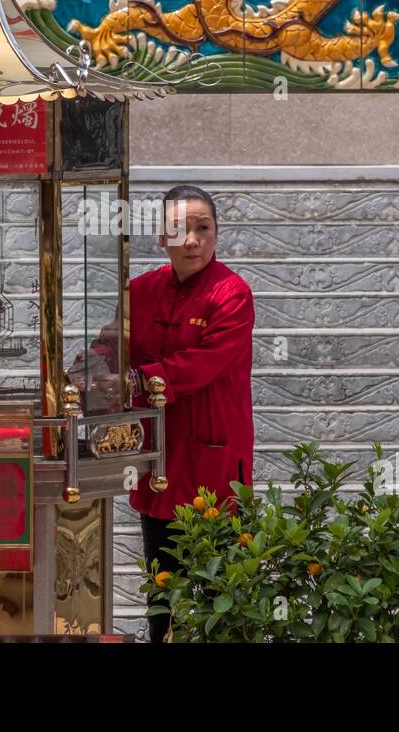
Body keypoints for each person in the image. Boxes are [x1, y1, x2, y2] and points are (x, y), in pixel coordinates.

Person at [122, 185, 255, 643]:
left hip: (213, 461)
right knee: (163, 587)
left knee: (223, 591)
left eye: (204, 228)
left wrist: (135, 380)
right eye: (181, 230)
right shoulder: (138, 291)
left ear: (217, 235)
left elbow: (202, 364)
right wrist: (90, 369)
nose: (193, 240)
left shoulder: (232, 294)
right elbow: (108, 345)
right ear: (162, 238)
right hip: (156, 457)